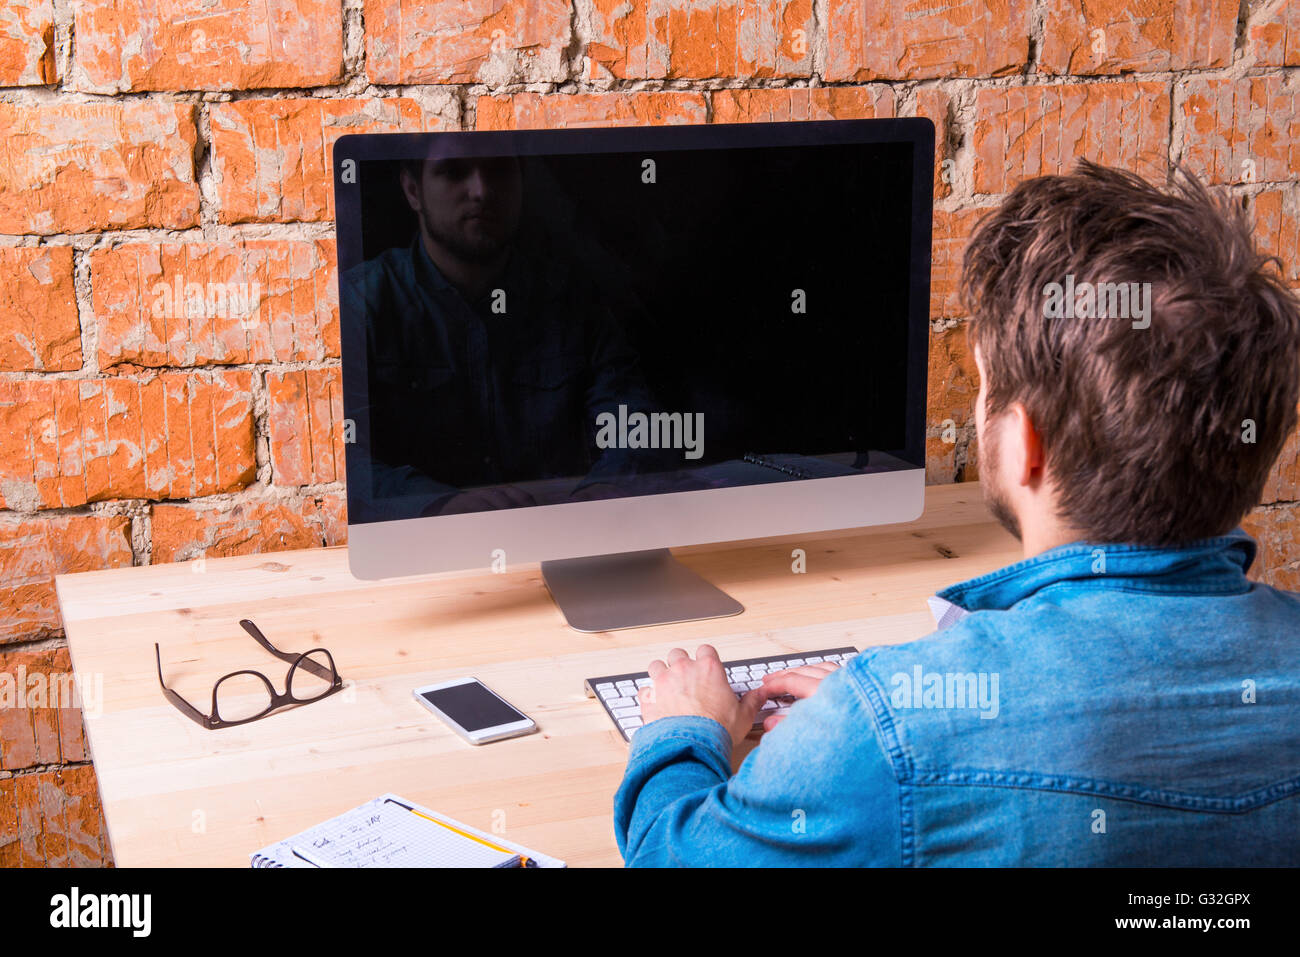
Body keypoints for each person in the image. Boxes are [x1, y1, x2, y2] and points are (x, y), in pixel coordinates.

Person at [613, 161, 1300, 866]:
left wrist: (688, 732)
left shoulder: (890, 732)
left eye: (986, 386)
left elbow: (673, 853)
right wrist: (874, 727)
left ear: (1026, 442)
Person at [341, 153, 660, 519]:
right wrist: (440, 505)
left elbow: (635, 419)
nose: (481, 191)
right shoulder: (361, 302)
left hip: (560, 537)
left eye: (498, 170)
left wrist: (608, 488)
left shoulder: (572, 296)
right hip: (424, 551)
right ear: (413, 190)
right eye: (454, 171)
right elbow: (345, 460)